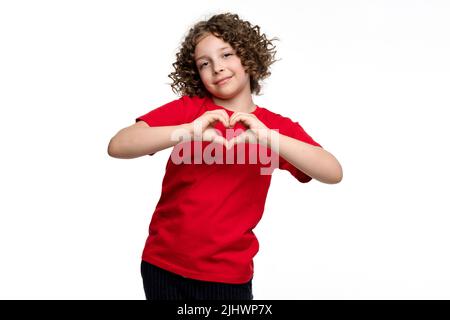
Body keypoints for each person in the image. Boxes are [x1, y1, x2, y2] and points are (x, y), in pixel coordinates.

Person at [107, 12, 343, 300]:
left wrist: (269, 137)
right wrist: (186, 132)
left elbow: (332, 171)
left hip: (227, 275)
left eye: (226, 55)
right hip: (162, 264)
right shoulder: (189, 111)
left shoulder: (276, 128)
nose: (217, 68)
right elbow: (119, 145)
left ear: (248, 57)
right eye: (204, 64)